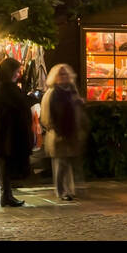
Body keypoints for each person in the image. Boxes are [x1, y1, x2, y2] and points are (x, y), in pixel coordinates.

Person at [0, 57, 35, 207]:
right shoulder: (6, 88)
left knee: (2, 164)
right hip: (8, 132)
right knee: (5, 164)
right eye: (17, 71)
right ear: (10, 71)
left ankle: (6, 196)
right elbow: (20, 106)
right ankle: (6, 196)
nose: (19, 74)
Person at [40, 64, 86, 201]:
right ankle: (62, 191)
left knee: (67, 163)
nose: (64, 77)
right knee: (61, 163)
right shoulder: (53, 93)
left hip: (71, 132)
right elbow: (47, 116)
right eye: (61, 74)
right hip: (58, 134)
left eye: (66, 74)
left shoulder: (71, 91)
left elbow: (76, 111)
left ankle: (69, 189)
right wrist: (55, 129)